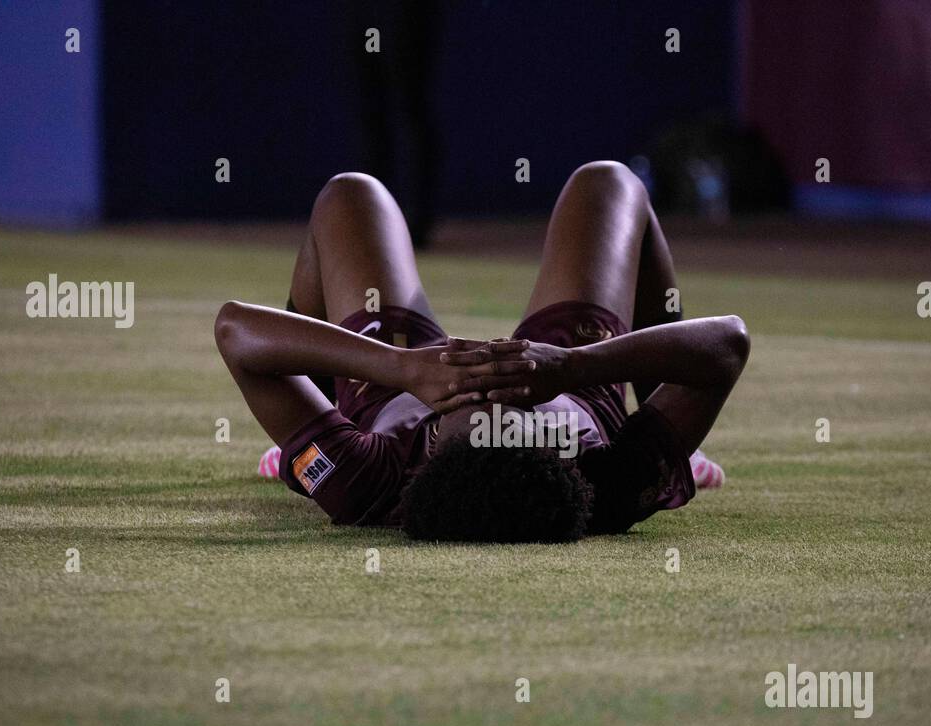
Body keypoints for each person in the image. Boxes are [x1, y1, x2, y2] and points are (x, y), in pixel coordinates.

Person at [214, 161, 749, 542]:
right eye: (518, 416)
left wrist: (397, 367)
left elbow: (236, 330)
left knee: (349, 194)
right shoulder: (608, 480)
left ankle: (315, 419)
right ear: (564, 457)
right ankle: (680, 443)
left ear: (426, 457)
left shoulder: (368, 480)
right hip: (577, 377)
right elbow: (728, 341)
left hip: (384, 386)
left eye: (475, 411)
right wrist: (573, 365)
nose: (493, 393)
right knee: (608, 181)